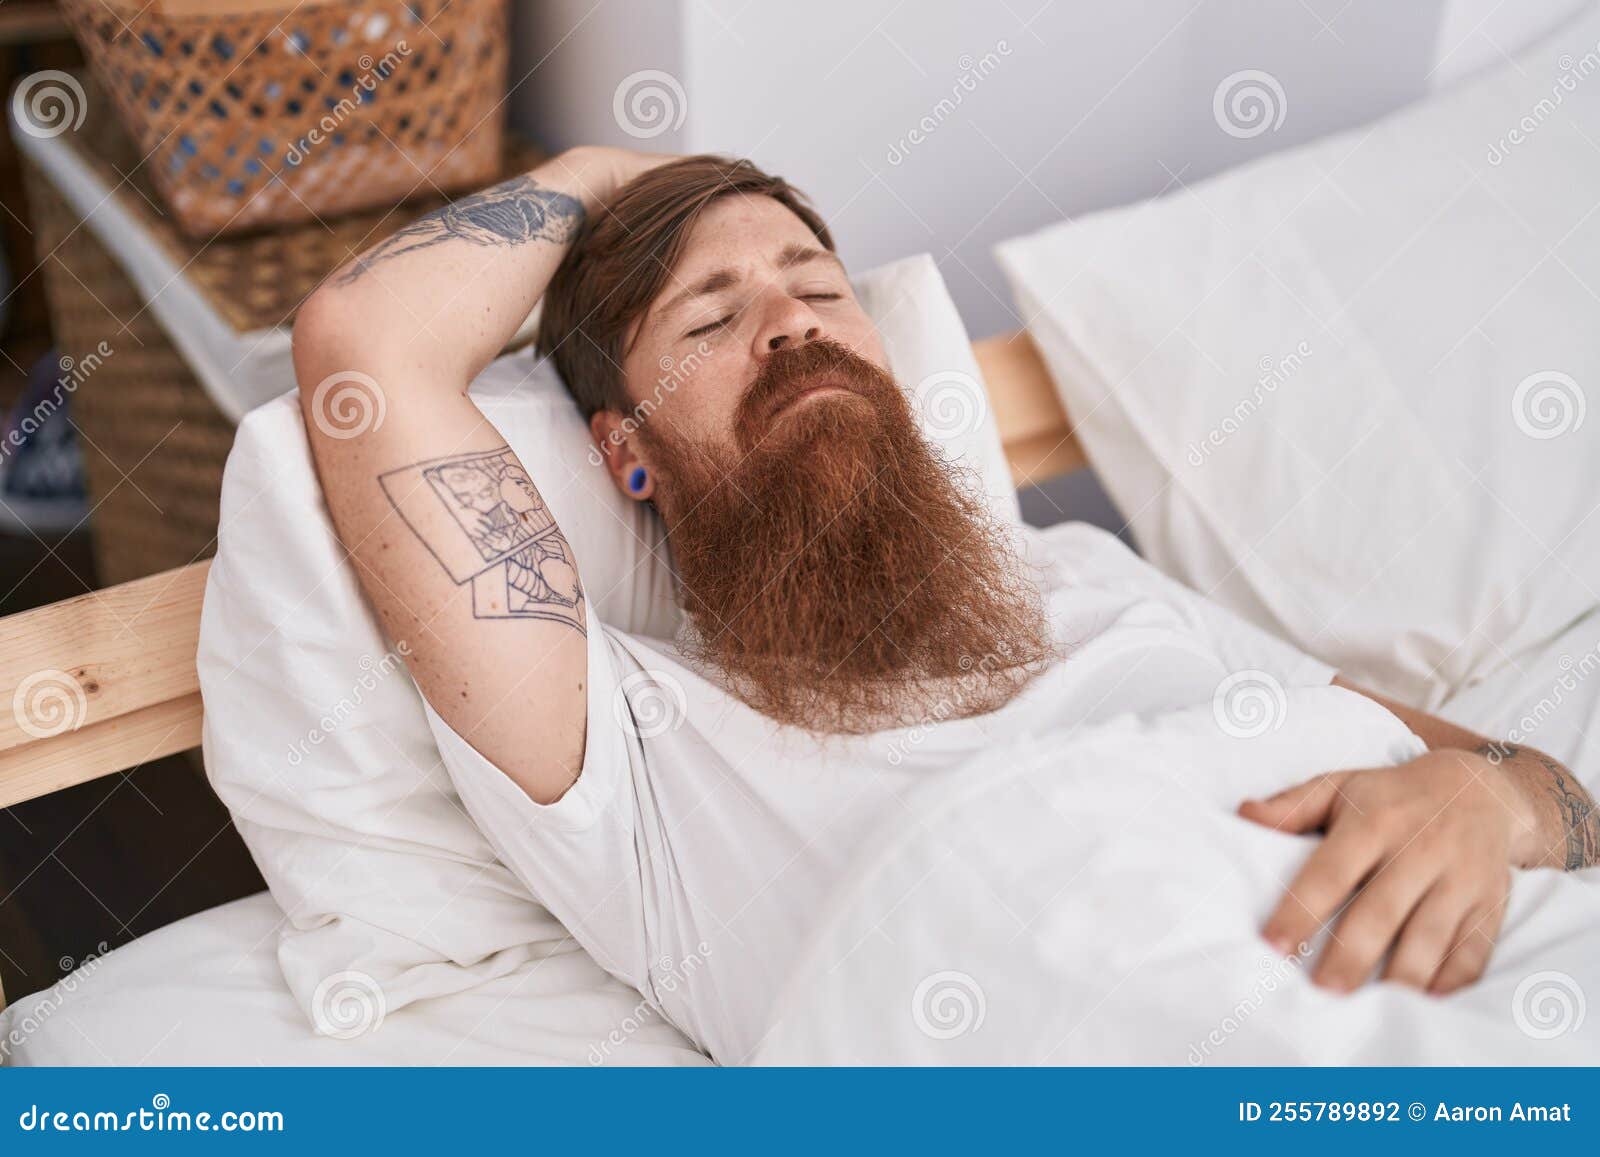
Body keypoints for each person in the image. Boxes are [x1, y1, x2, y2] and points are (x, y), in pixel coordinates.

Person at [293, 147, 1597, 1062]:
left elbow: (1557, 798)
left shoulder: (1090, 578)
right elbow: (366, 343)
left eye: (816, 286)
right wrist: (600, 174)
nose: (791, 324)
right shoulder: (621, 743)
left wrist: (1482, 797)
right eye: (711, 317)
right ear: (624, 448)